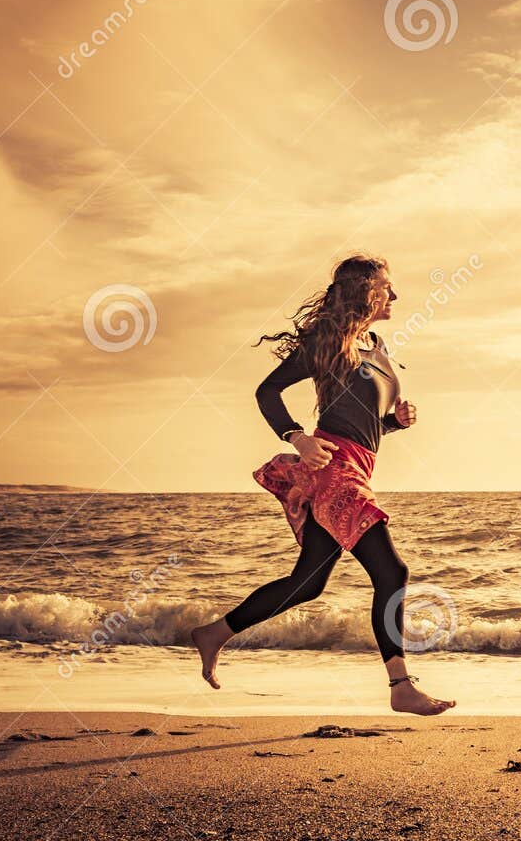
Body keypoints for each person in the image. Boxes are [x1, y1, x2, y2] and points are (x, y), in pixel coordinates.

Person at [190, 255, 456, 716]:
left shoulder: (376, 343)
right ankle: (401, 686)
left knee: (309, 582)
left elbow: (361, 421)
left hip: (356, 464)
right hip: (334, 469)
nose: (394, 296)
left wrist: (393, 422)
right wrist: (297, 436)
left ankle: (215, 633)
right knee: (392, 573)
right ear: (365, 292)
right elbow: (266, 391)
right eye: (387, 287)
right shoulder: (331, 340)